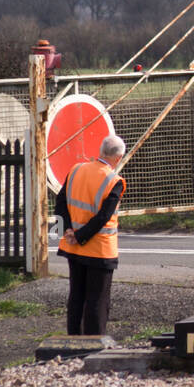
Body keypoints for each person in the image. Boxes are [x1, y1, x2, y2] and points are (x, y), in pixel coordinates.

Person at [55, 134, 128, 337]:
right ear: (118, 157)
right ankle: (94, 344)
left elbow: (60, 202)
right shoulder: (114, 181)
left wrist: (68, 230)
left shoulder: (76, 170)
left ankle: (73, 341)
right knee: (97, 299)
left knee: (76, 295)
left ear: (101, 151)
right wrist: (82, 236)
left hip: (73, 247)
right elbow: (104, 217)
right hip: (100, 250)